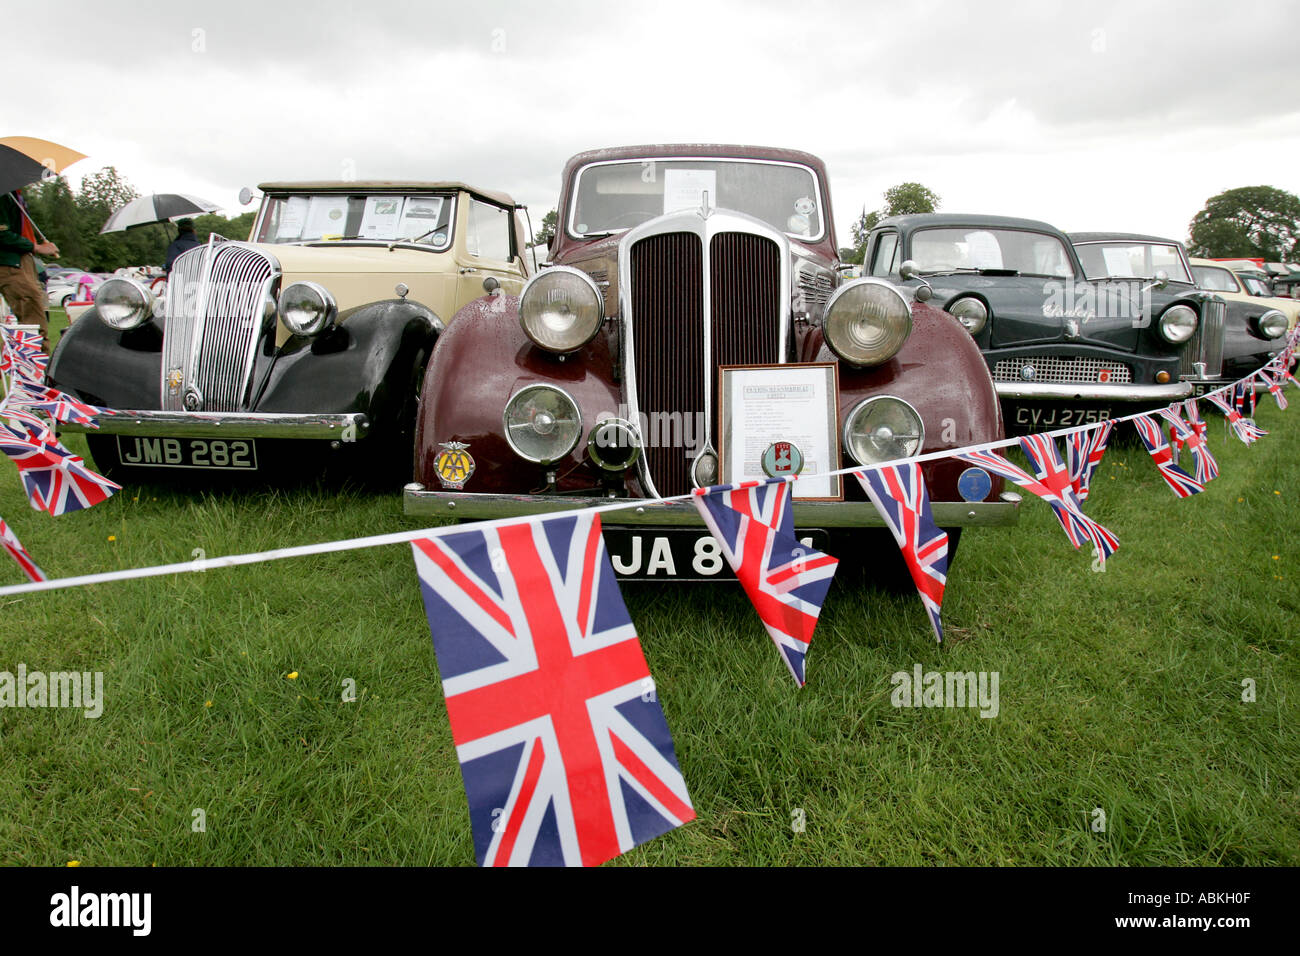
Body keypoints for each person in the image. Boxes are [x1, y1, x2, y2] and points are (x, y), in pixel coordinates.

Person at [0, 189, 59, 340]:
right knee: (33, 327)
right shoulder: (4, 194)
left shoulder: (14, 194)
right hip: (11, 264)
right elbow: (2, 234)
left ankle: (22, 355)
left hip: (21, 260)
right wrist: (36, 247)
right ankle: (35, 356)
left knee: (31, 325)